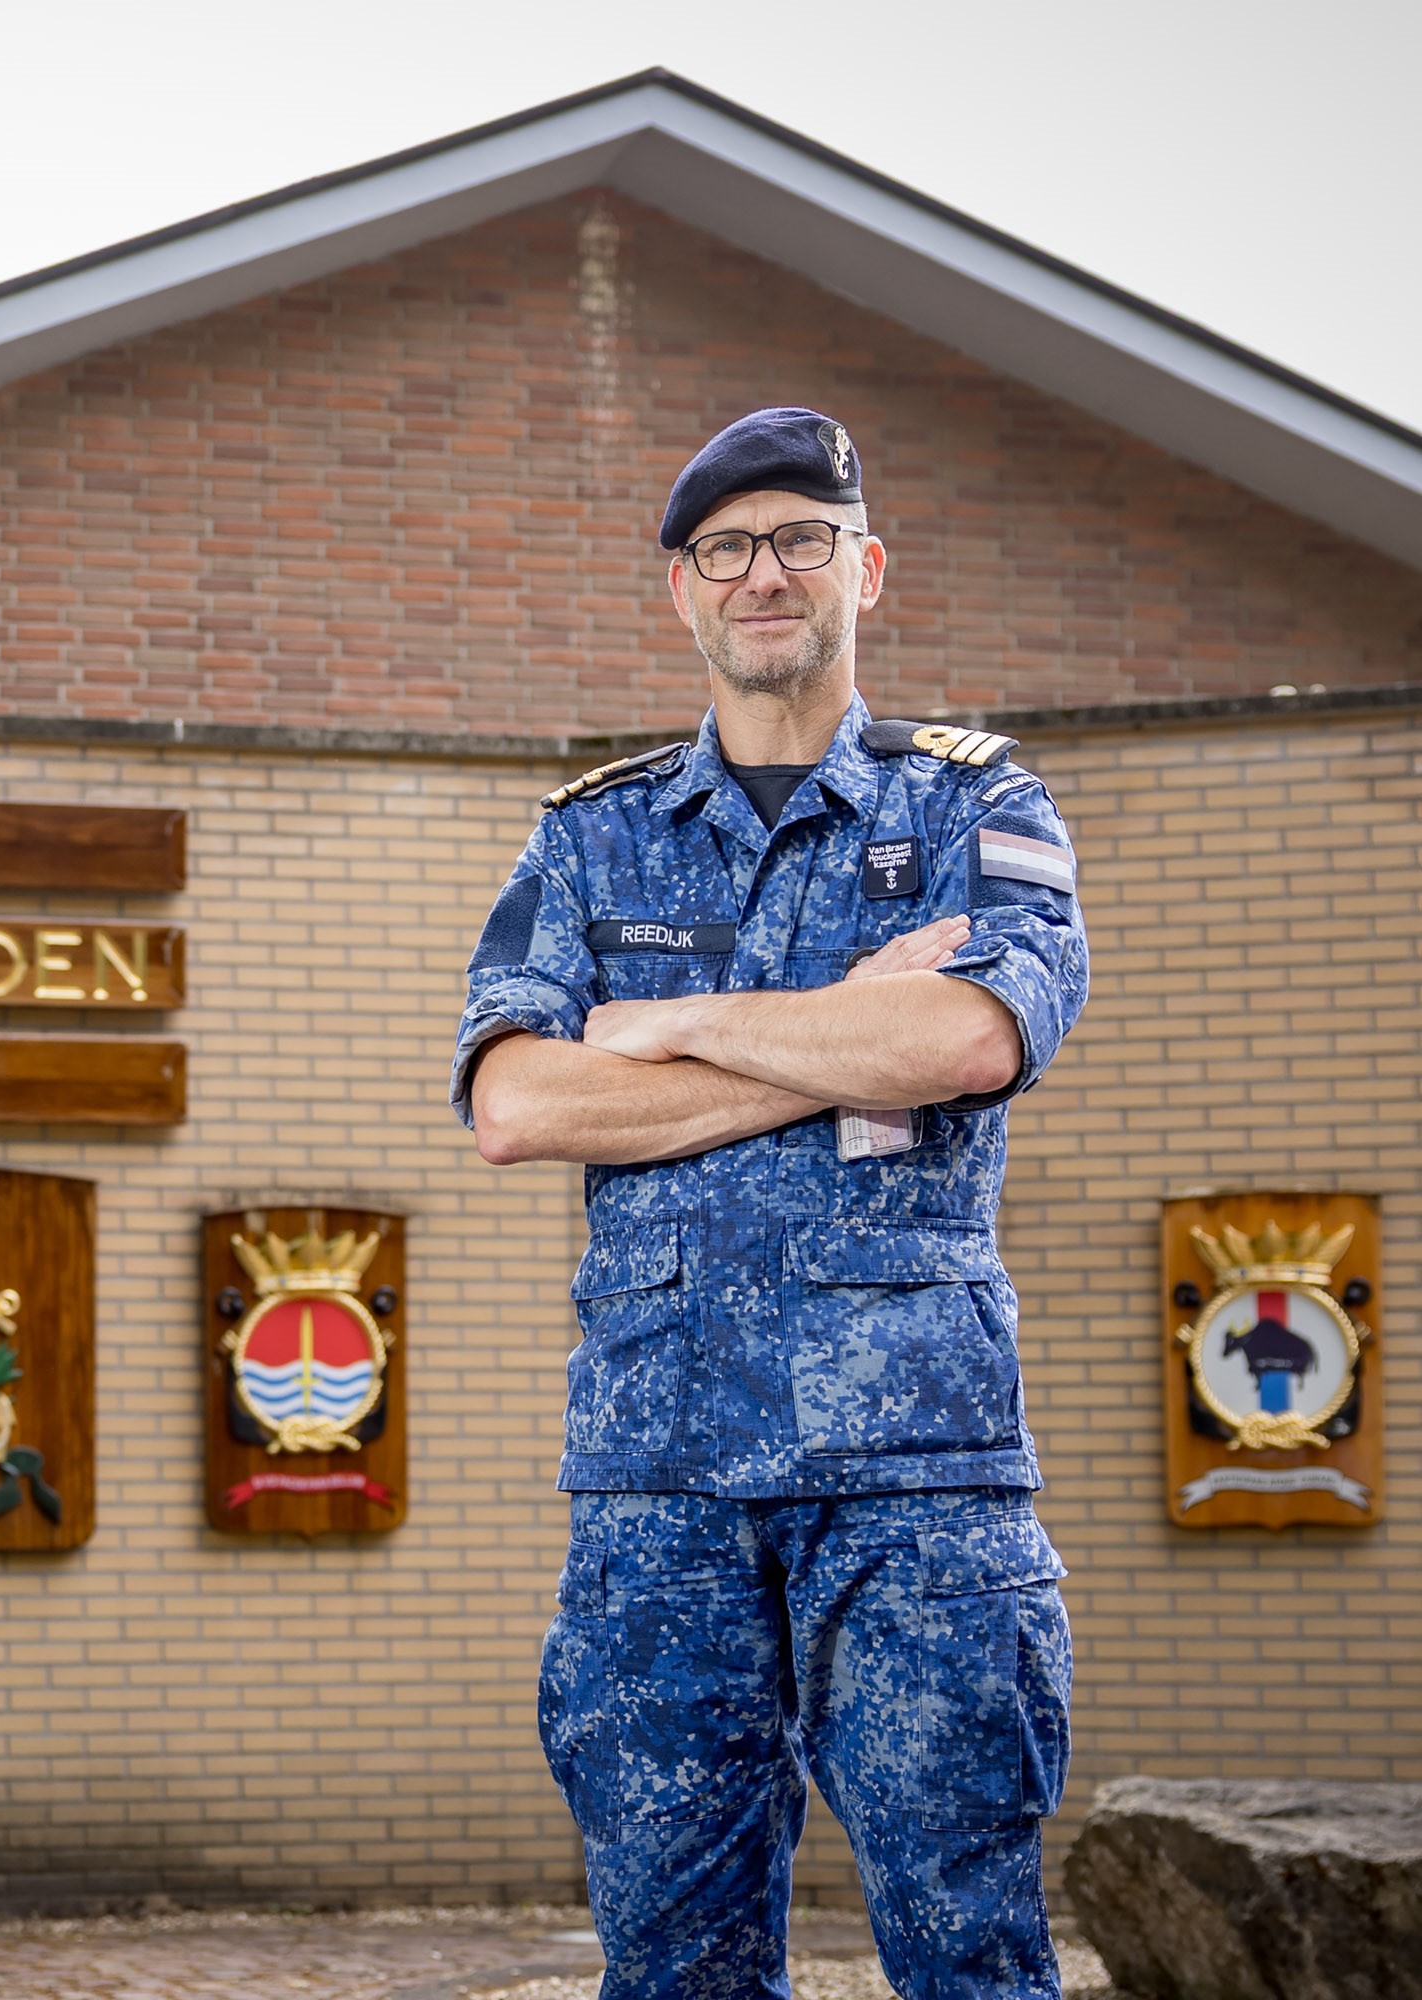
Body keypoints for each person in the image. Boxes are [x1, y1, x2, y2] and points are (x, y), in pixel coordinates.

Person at [452, 408, 1090, 2000]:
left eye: (803, 538)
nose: (764, 573)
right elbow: (518, 1104)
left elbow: (968, 1039)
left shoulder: (975, 807)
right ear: (683, 588)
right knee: (675, 1969)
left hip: (917, 1485)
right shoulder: (591, 838)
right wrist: (839, 1034)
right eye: (726, 548)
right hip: (659, 1485)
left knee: (969, 1955)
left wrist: (662, 1026)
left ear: (864, 570)